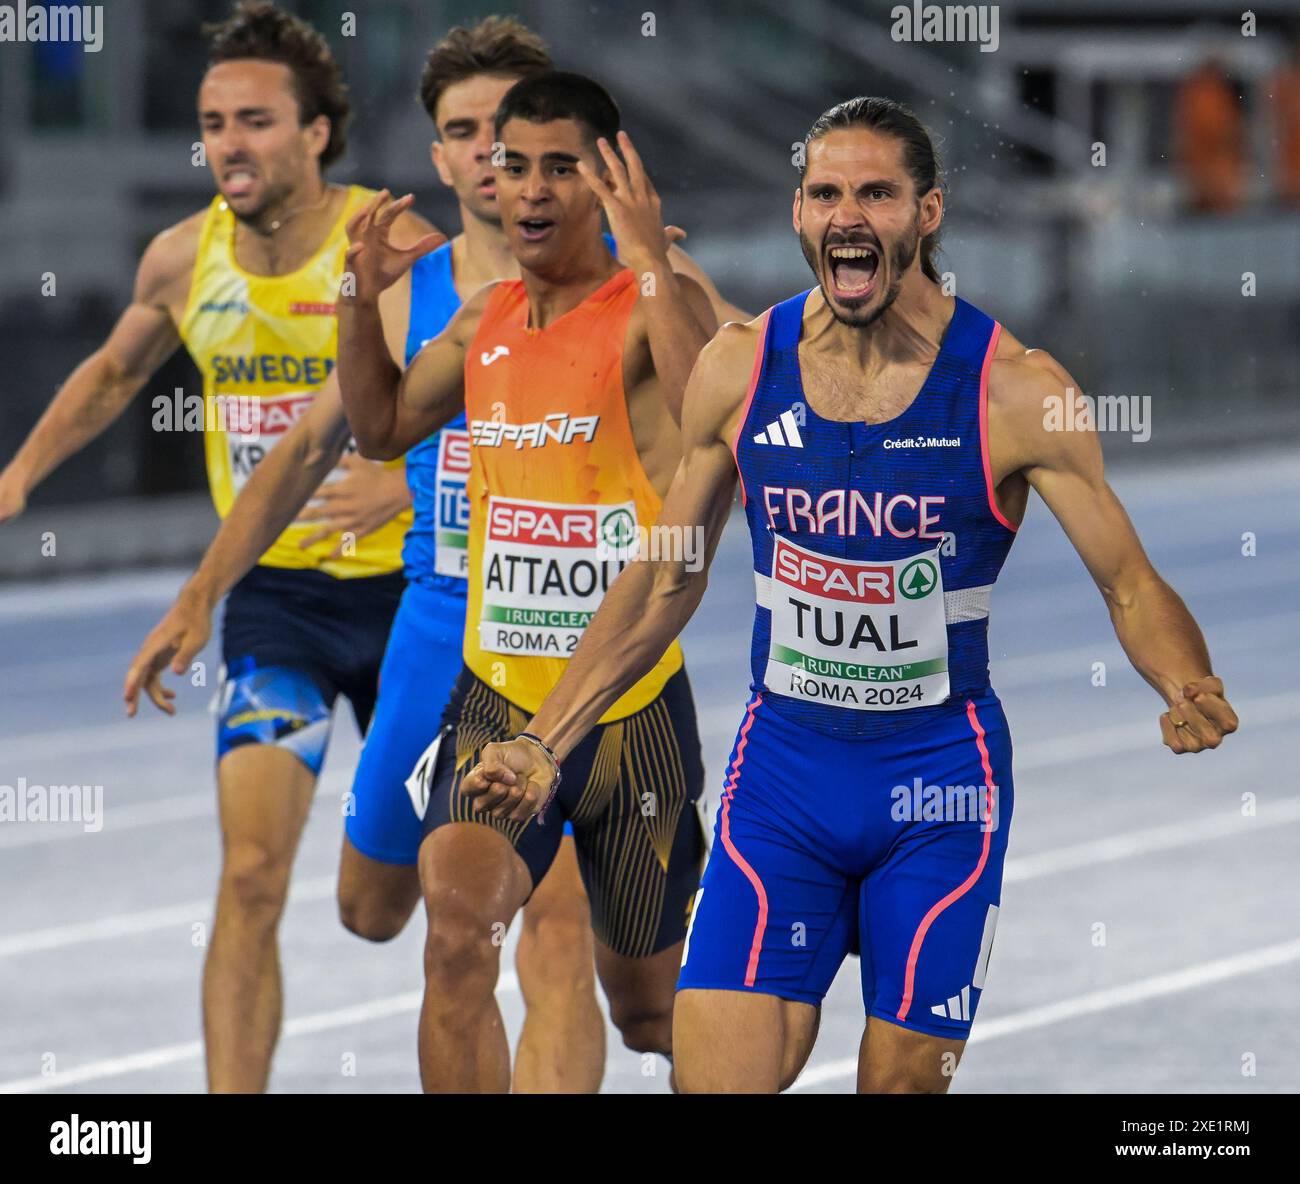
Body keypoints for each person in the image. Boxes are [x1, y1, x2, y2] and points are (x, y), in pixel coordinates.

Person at [459, 96, 1240, 1094]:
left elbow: (1129, 583)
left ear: (927, 214)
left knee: (901, 1083)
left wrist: (1185, 680)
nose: (848, 214)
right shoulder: (740, 371)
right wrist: (541, 738)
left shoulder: (1016, 391)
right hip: (782, 780)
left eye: (876, 192)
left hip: (938, 789)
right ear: (798, 214)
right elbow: (665, 574)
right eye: (826, 192)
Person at [0, 1, 440, 1093]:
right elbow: (110, 375)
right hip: (276, 603)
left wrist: (401, 479)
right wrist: (16, 477)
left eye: (253, 120)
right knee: (249, 871)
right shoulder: (182, 255)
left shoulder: (391, 250)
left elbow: (490, 385)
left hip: (416, 605)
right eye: (211, 122)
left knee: (443, 884)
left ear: (316, 134)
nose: (227, 145)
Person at [337, 71, 719, 1092]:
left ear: (608, 180)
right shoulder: (482, 320)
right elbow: (378, 429)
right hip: (494, 697)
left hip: (628, 710)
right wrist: (353, 295)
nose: (535, 189)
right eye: (516, 167)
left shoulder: (648, 306)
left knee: (645, 1011)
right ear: (489, 181)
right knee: (455, 936)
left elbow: (710, 425)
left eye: (564, 167)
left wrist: (649, 264)